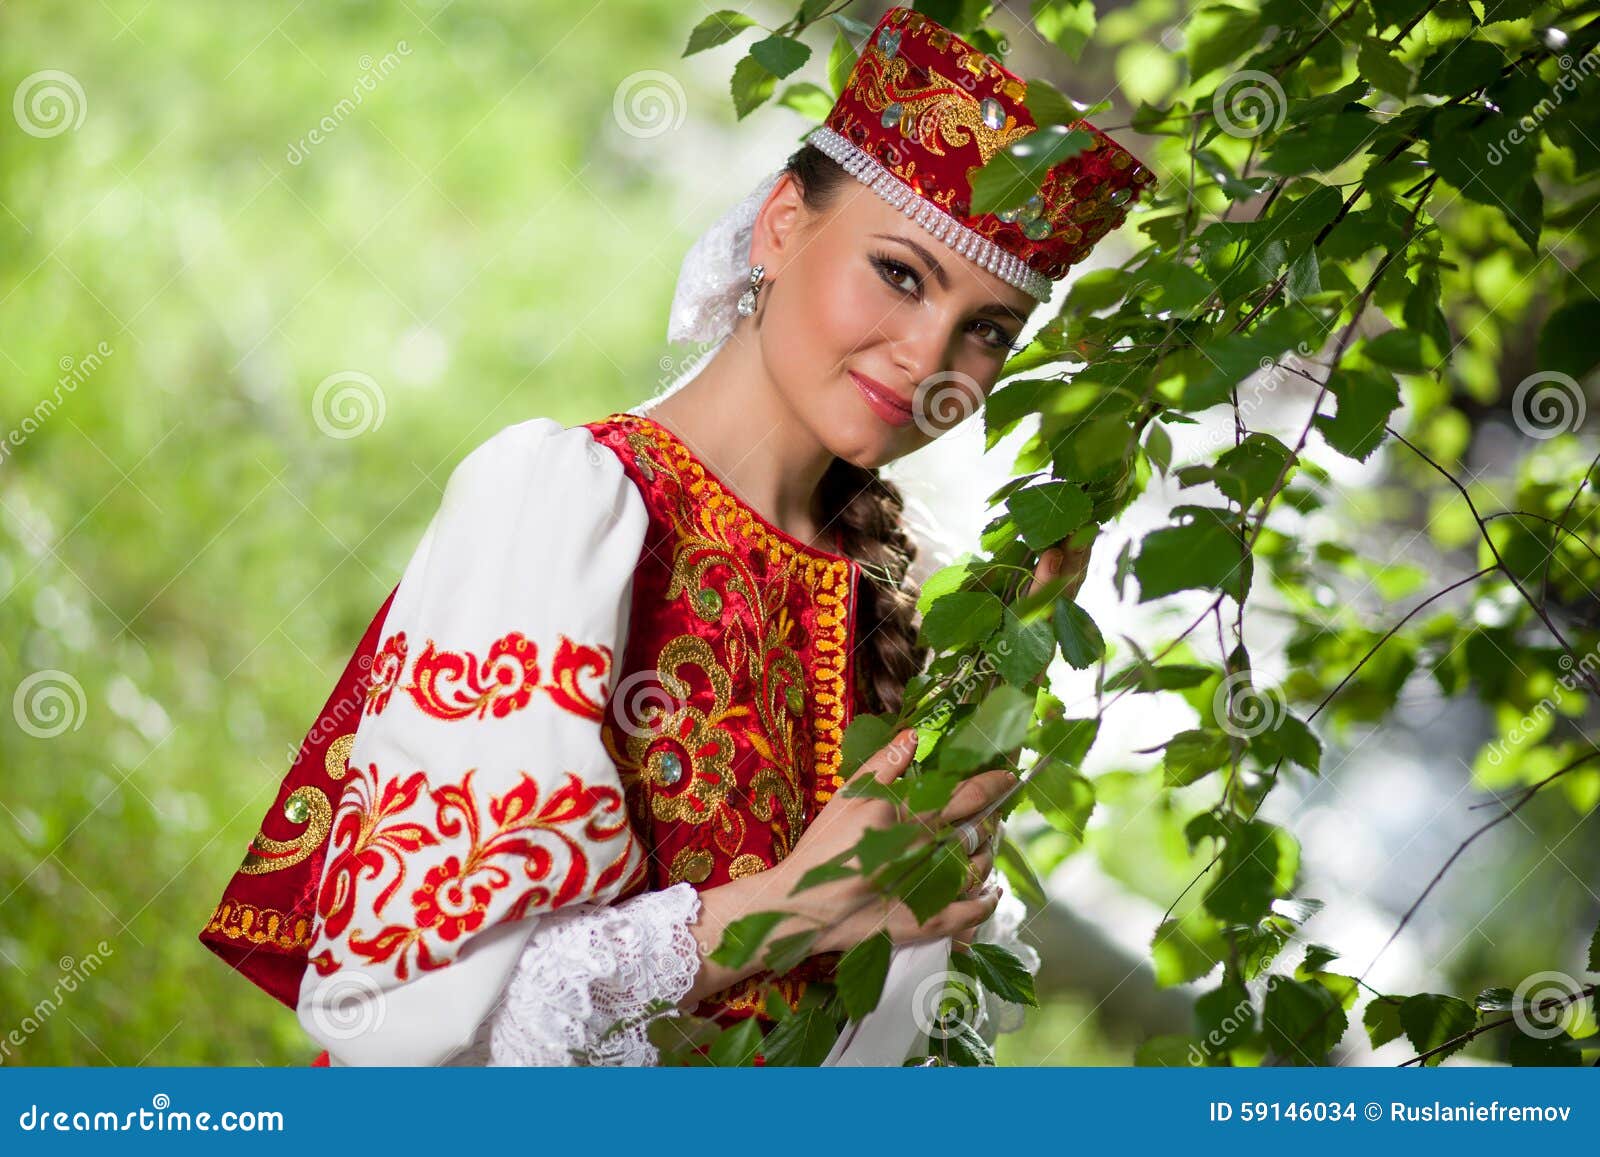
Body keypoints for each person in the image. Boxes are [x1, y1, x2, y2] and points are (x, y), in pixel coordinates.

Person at [197, 3, 1154, 1066]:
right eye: (899, 273)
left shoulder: (898, 599)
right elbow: (415, 1018)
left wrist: (998, 691)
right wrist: (787, 910)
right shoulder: (566, 506)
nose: (928, 355)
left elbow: (871, 1031)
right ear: (781, 224)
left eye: (985, 329)